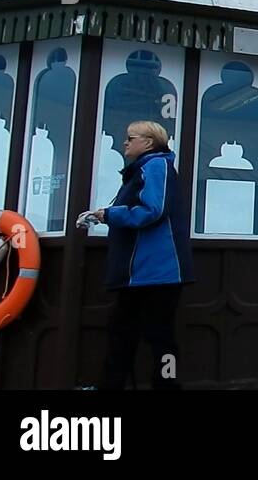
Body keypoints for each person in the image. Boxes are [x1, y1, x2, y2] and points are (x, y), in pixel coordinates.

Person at [93, 120, 194, 390]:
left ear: (148, 142)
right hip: (138, 273)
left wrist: (109, 214)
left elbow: (154, 209)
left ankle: (168, 385)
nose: (124, 142)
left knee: (159, 336)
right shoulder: (143, 168)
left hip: (159, 271)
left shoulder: (156, 165)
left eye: (130, 137)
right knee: (123, 332)